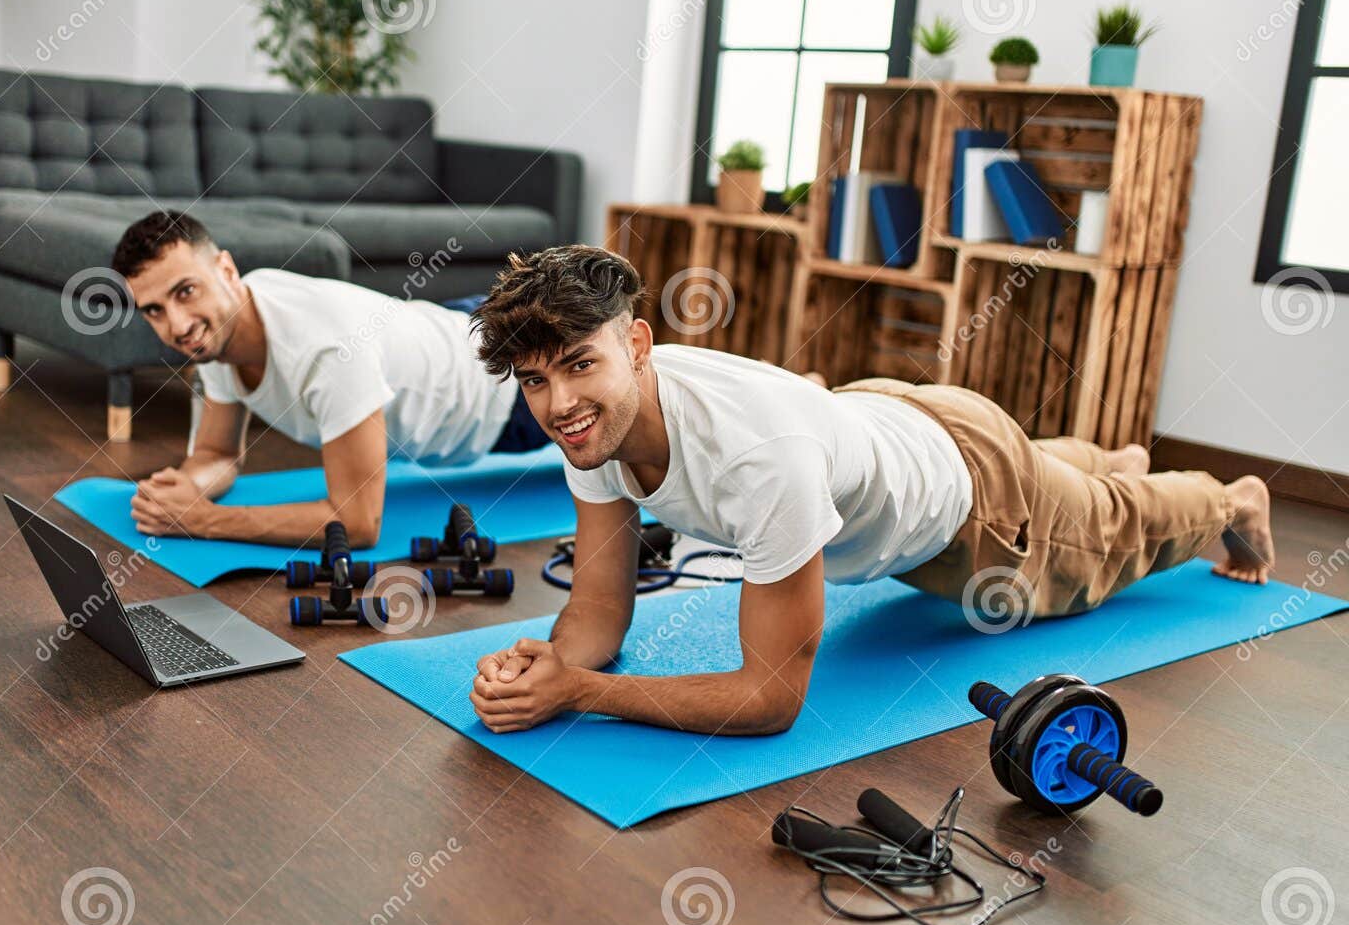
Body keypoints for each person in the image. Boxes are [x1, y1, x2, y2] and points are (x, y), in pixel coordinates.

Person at [463, 245, 1274, 736]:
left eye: (579, 364)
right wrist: (545, 662)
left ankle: (1228, 497)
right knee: (1068, 486)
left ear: (637, 343)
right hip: (878, 417)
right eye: (535, 380)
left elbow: (769, 696)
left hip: (974, 506)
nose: (559, 403)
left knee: (1110, 540)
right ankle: (1105, 462)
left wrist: (583, 691)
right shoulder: (589, 423)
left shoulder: (761, 458)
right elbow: (601, 609)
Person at [110, 211, 547, 547]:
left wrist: (204, 520)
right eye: (154, 310)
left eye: (186, 292)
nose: (178, 325)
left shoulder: (328, 351)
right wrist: (186, 488)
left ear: (226, 270)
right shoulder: (222, 329)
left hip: (510, 386)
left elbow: (357, 523)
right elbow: (215, 452)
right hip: (449, 324)